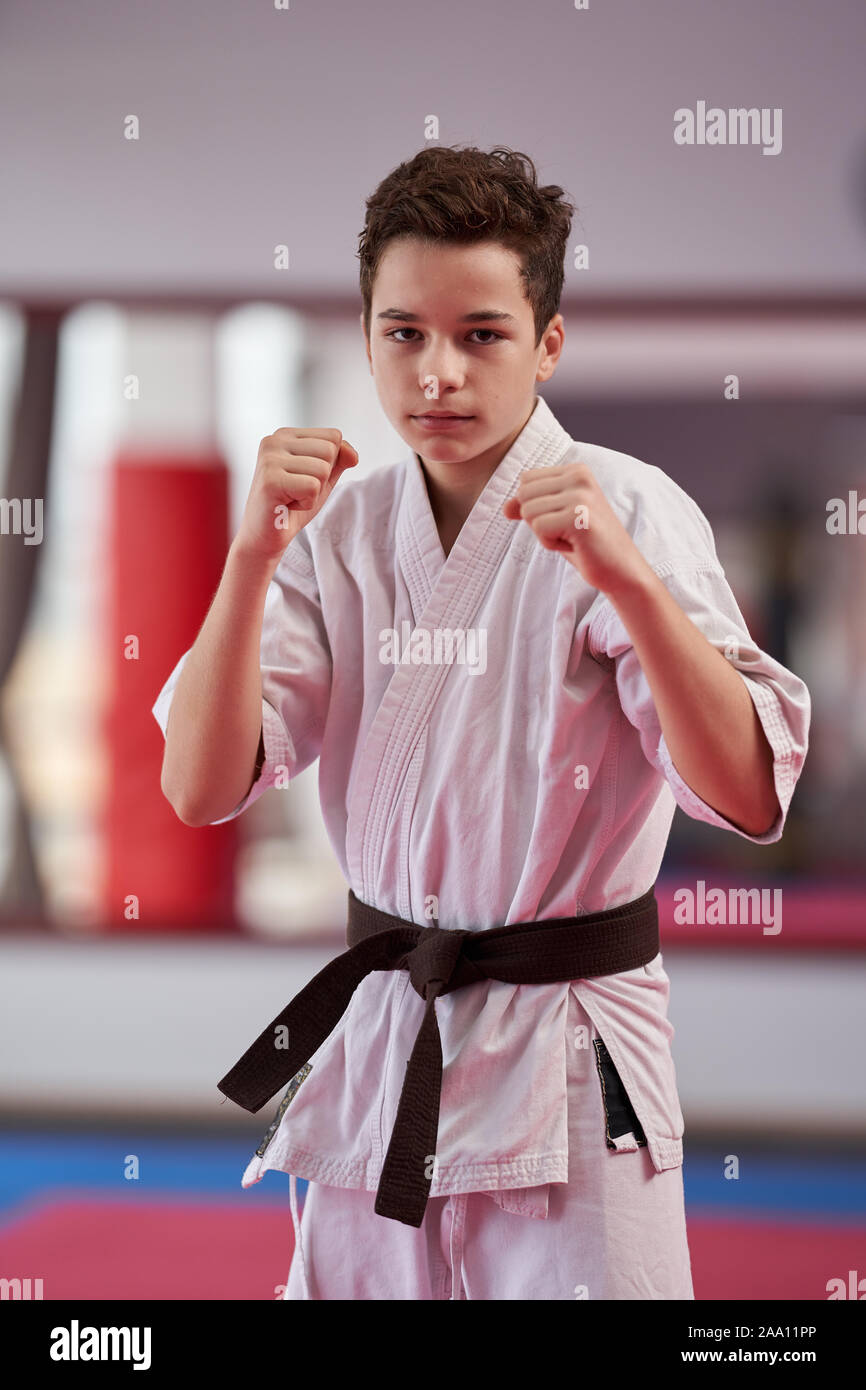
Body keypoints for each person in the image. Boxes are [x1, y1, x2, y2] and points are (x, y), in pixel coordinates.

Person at [151, 145, 811, 1301]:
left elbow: (748, 797)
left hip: (571, 1054)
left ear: (547, 343)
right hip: (383, 1033)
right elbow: (199, 790)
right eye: (402, 333)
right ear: (364, 337)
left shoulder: (633, 510)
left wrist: (627, 583)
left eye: (482, 334)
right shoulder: (337, 534)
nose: (437, 374)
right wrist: (250, 552)